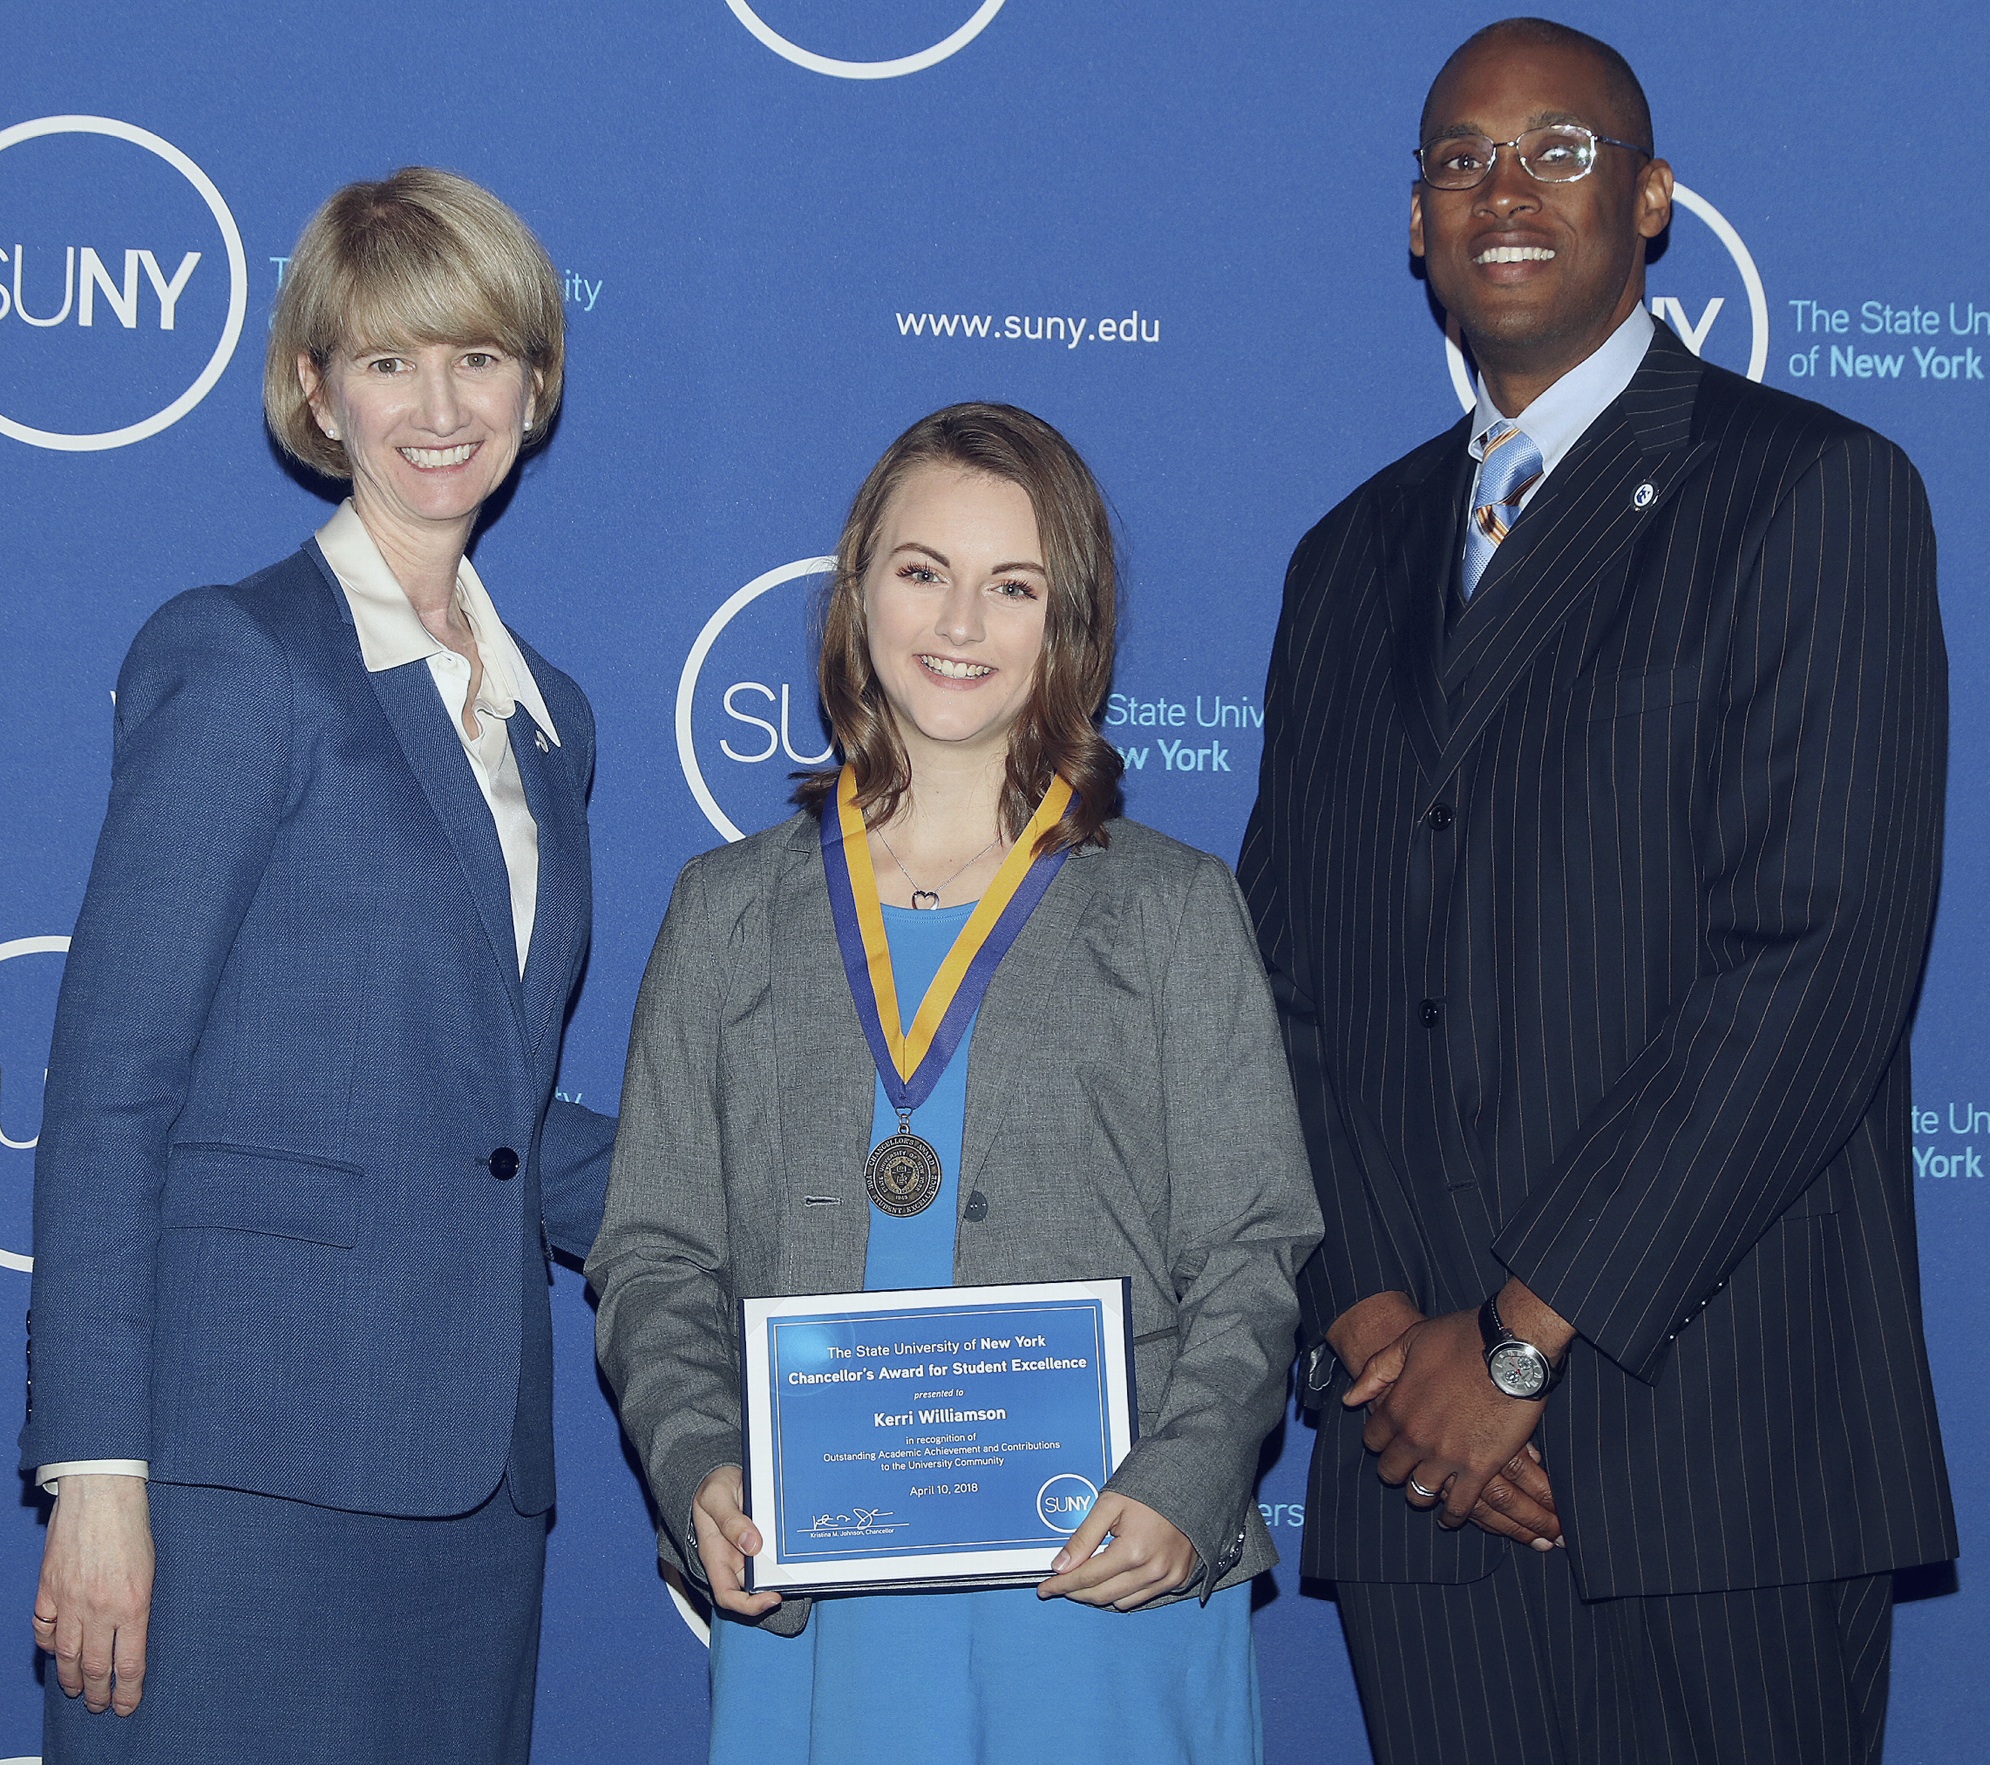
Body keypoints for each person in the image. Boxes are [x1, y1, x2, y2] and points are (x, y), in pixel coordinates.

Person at [1239, 18, 1956, 1764]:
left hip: (1710, 1460)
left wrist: (1514, 1350)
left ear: (1648, 205)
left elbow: (1813, 967)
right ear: (1413, 222)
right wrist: (1381, 1336)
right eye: (1455, 158)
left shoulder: (1813, 493)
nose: (1501, 190)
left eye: (1557, 152)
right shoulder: (1341, 560)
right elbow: (1280, 995)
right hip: (1418, 1469)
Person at [589, 402, 1321, 1764]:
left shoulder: (1172, 907)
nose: (960, 622)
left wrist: (1183, 1479)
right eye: (922, 570)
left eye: (1013, 585)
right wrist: (700, 1463)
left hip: (1107, 1566)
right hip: (823, 1599)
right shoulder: (724, 911)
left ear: (1071, 622)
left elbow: (1253, 1247)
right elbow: (652, 1253)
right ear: (857, 591)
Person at [24, 167, 617, 1763]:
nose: (441, 404)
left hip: (475, 1485)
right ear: (316, 392)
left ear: (534, 387)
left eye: (480, 357)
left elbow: (496, 1112)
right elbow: (111, 1087)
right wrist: (95, 1473)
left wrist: (769, 1197)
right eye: (389, 361)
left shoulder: (550, 713)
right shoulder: (238, 655)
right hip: (238, 1479)